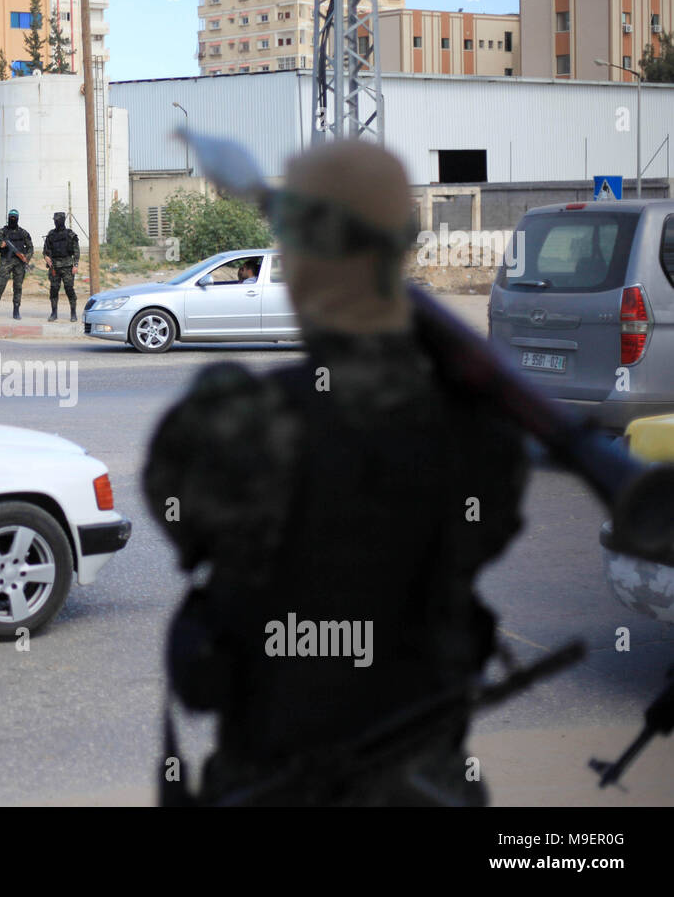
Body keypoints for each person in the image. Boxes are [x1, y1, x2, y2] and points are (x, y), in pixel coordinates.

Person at [143, 141, 528, 806]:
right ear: (402, 246)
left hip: (273, 786)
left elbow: (185, 524)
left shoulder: (236, 419)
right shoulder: (485, 432)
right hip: (426, 788)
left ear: (295, 262)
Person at [0, 208, 33, 321]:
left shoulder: (23, 233)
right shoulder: (2, 232)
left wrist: (26, 257)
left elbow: (30, 247)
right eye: (11, 217)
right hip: (5, 261)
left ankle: (16, 311)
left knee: (18, 287)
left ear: (17, 219)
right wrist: (0, 244)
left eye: (14, 218)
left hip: (19, 263)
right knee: (0, 286)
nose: (12, 219)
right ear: (8, 218)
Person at [42, 211, 81, 322]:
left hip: (68, 266)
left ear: (62, 220)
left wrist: (76, 265)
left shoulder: (70, 234)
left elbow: (76, 251)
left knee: (69, 289)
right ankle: (54, 313)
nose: (56, 222)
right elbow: (45, 250)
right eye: (55, 220)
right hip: (54, 267)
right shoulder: (51, 234)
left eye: (57, 220)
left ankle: (73, 313)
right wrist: (46, 257)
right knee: (54, 290)